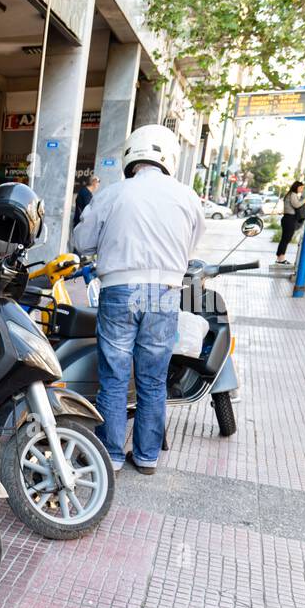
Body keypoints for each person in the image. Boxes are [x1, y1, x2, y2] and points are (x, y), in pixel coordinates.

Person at [71, 124, 204, 475]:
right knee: (153, 378)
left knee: (114, 377)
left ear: (131, 156)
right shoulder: (187, 197)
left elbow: (82, 241)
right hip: (165, 294)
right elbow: (192, 246)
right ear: (168, 159)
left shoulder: (113, 194)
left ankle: (111, 456)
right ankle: (146, 457)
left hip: (119, 290)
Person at [274, 181, 305, 265]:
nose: (302, 189)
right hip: (289, 219)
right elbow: (296, 205)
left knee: (284, 239)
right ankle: (281, 258)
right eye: (301, 187)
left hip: (287, 218)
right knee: (286, 239)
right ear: (296, 187)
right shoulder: (292, 194)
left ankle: (280, 257)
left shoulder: (290, 194)